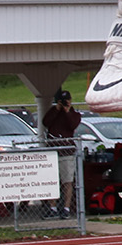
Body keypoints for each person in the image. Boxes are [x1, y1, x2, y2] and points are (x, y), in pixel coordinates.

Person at [41, 90, 83, 218]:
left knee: (67, 181)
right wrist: (56, 109)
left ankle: (66, 208)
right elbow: (46, 122)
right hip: (53, 152)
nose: (65, 102)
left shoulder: (74, 114)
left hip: (67, 152)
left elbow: (72, 125)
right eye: (62, 101)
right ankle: (52, 208)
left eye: (67, 100)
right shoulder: (54, 112)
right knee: (52, 181)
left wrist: (67, 111)